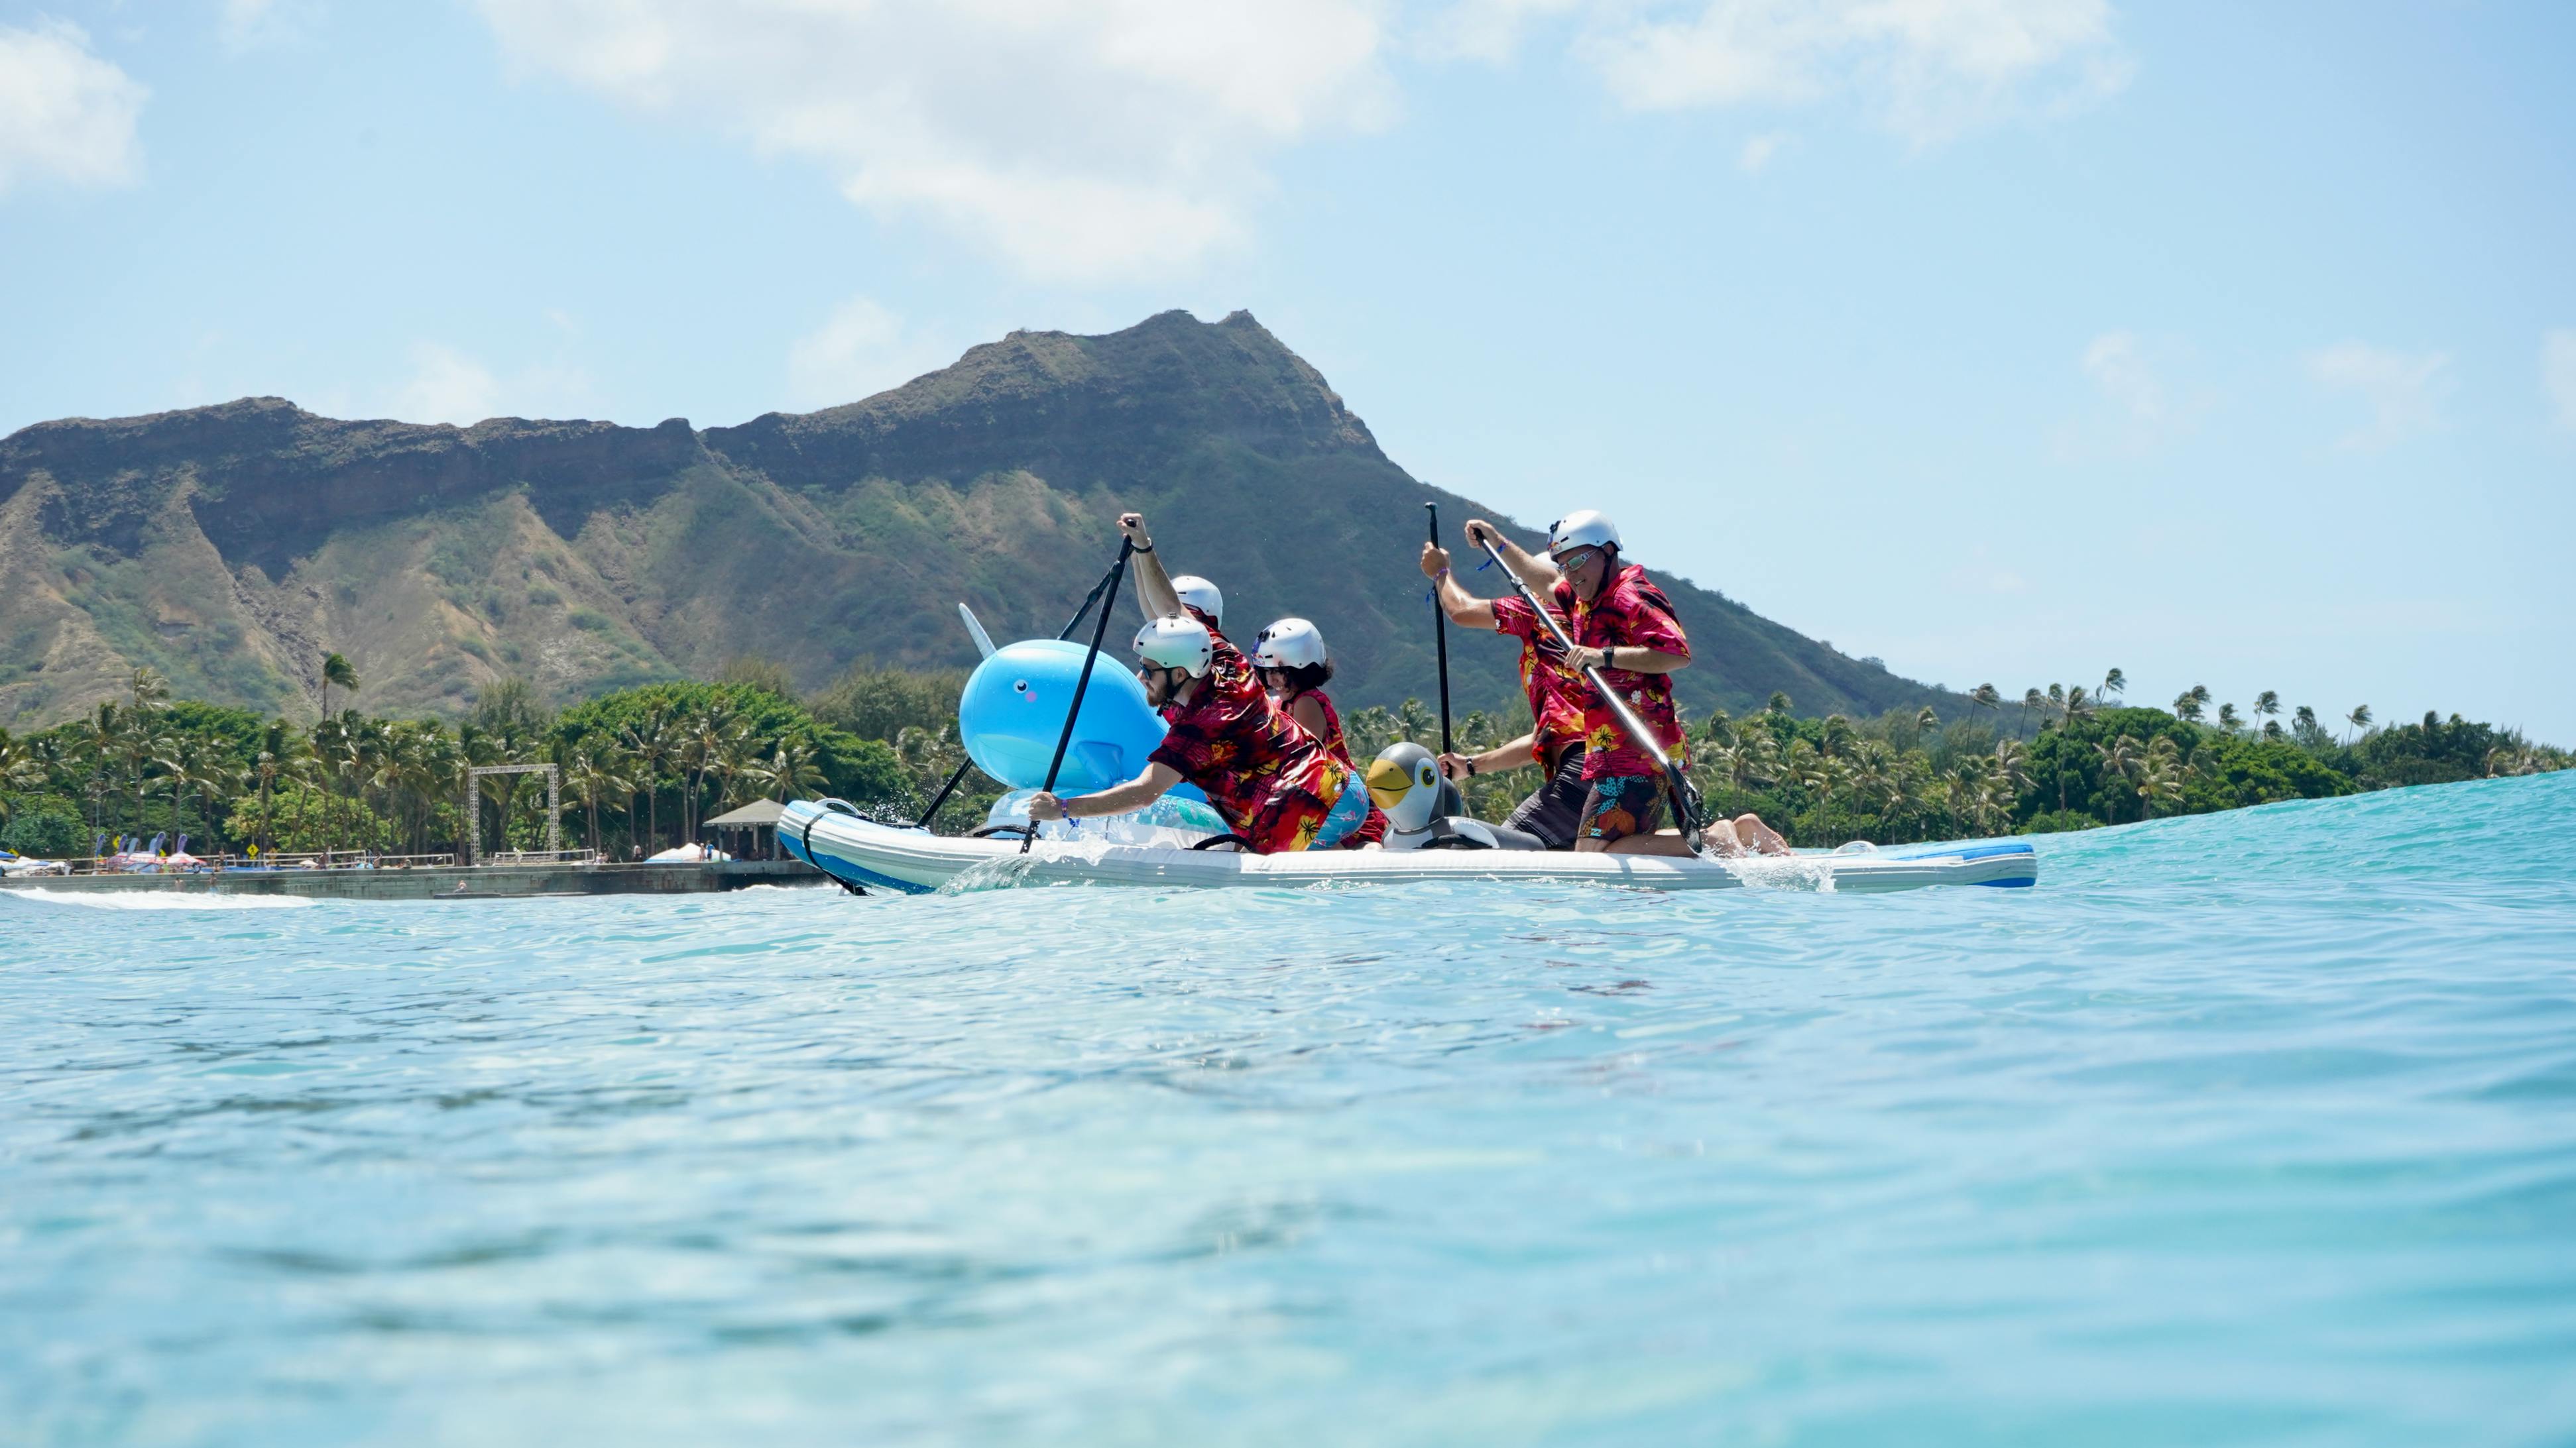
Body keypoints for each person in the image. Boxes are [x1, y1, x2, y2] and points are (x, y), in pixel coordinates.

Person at [1448, 511, 1790, 858]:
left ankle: (1716, 840)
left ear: (1608, 551)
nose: (1572, 573)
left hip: (1636, 751)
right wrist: (1497, 541)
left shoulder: (1630, 594)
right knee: (1614, 847)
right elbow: (1546, 584)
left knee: (1592, 853)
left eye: (1579, 561)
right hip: (1617, 752)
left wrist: (1603, 656)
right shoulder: (1585, 601)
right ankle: (1741, 833)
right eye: (1564, 565)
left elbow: (1675, 652)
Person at [1025, 514, 1372, 852]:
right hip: (1339, 786)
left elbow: (1145, 792)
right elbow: (1169, 612)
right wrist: (1141, 550)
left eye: (1150, 670)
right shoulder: (1224, 659)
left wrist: (1064, 809)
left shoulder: (1200, 729)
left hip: (1320, 803)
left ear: (1179, 674)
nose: (1142, 676)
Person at [1417, 541, 1590, 849]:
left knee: (1494, 854)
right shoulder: (1589, 626)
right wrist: (1470, 765)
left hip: (1582, 769)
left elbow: (1461, 610)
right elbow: (1543, 737)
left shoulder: (1539, 609)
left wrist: (1440, 572)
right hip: (1618, 765)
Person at [1255, 618, 1387, 848]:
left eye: (1278, 671)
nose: (1270, 679)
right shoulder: (1288, 702)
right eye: (1267, 671)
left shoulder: (1306, 702)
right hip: (1327, 808)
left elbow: (1301, 770)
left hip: (1343, 818)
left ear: (1301, 669)